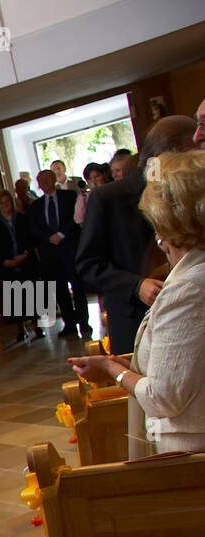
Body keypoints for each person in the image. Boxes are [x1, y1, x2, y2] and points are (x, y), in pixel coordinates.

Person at [68, 152, 205, 455]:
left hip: (190, 455)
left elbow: (163, 397)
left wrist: (110, 367)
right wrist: (121, 367)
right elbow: (185, 366)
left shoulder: (188, 289)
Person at [77, 115, 198, 354]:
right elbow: (87, 265)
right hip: (134, 319)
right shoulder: (108, 198)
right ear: (162, 157)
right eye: (187, 158)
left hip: (188, 314)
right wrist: (137, 285)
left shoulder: (187, 190)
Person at [28, 168, 89, 338]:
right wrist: (49, 237)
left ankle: (84, 322)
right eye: (41, 181)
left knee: (77, 287)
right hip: (50, 254)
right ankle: (69, 323)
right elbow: (35, 228)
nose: (45, 184)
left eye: (47, 180)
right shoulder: (36, 206)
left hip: (69, 249)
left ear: (54, 180)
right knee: (60, 290)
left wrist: (62, 234)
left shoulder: (69, 197)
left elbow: (76, 219)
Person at [0, 189, 43, 341]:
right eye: (1, 203)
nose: (5, 205)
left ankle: (37, 325)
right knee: (13, 298)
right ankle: (21, 328)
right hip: (7, 266)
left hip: (26, 262)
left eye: (7, 202)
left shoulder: (23, 219)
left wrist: (24, 255)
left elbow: (32, 239)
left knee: (31, 295)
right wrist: (7, 261)